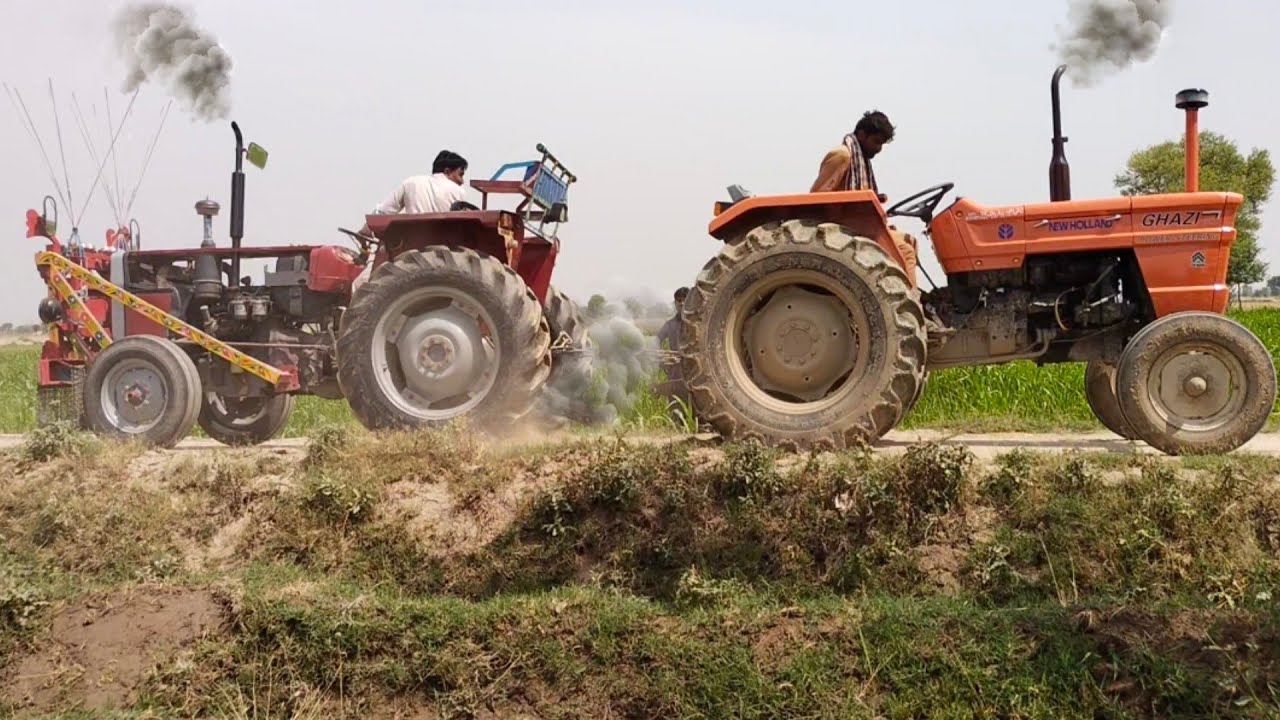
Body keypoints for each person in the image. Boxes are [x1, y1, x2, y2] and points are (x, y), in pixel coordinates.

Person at [810, 110, 920, 289]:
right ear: (861, 134)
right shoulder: (843, 155)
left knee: (909, 241)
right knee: (905, 251)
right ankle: (914, 307)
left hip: (858, 220)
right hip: (843, 223)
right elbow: (818, 198)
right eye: (876, 142)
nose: (879, 149)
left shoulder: (861, 161)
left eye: (882, 144)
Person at [371, 150, 470, 215]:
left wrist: (365, 231)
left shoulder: (411, 182)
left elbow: (383, 212)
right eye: (460, 175)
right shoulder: (458, 192)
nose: (462, 181)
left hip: (411, 242)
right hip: (447, 244)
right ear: (447, 171)